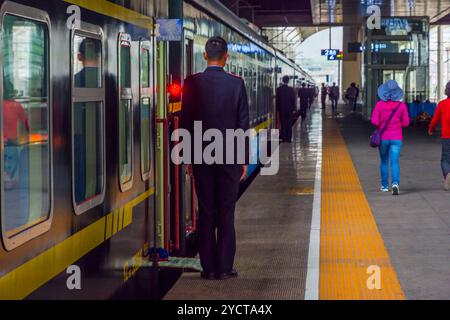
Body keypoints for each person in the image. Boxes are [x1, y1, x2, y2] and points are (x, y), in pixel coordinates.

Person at [181, 37, 249, 280]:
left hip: (201, 158)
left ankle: (208, 268)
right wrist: (242, 159)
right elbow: (242, 125)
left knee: (206, 212)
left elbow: (186, 124)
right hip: (229, 158)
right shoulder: (236, 84)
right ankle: (224, 267)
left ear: (204, 56)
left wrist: (188, 157)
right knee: (226, 212)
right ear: (226, 57)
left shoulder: (191, 83)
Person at [371, 80, 410, 195]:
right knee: (395, 162)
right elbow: (406, 123)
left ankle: (384, 186)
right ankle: (395, 184)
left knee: (384, 161)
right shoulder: (402, 106)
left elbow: (375, 121)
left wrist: (381, 124)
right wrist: (398, 124)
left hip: (383, 138)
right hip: (397, 138)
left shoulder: (379, 105)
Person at [428, 81, 450, 190]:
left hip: (446, 136)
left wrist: (431, 129)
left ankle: (447, 175)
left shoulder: (442, 104)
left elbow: (435, 120)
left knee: (445, 159)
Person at [276, 75, 296, 142]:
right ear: (288, 81)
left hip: (282, 110)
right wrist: (293, 109)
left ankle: (284, 138)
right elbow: (293, 100)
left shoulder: (279, 89)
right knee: (289, 124)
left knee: (283, 124)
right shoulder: (291, 89)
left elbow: (277, 100)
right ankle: (289, 138)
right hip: (289, 110)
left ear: (282, 80)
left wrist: (278, 109)